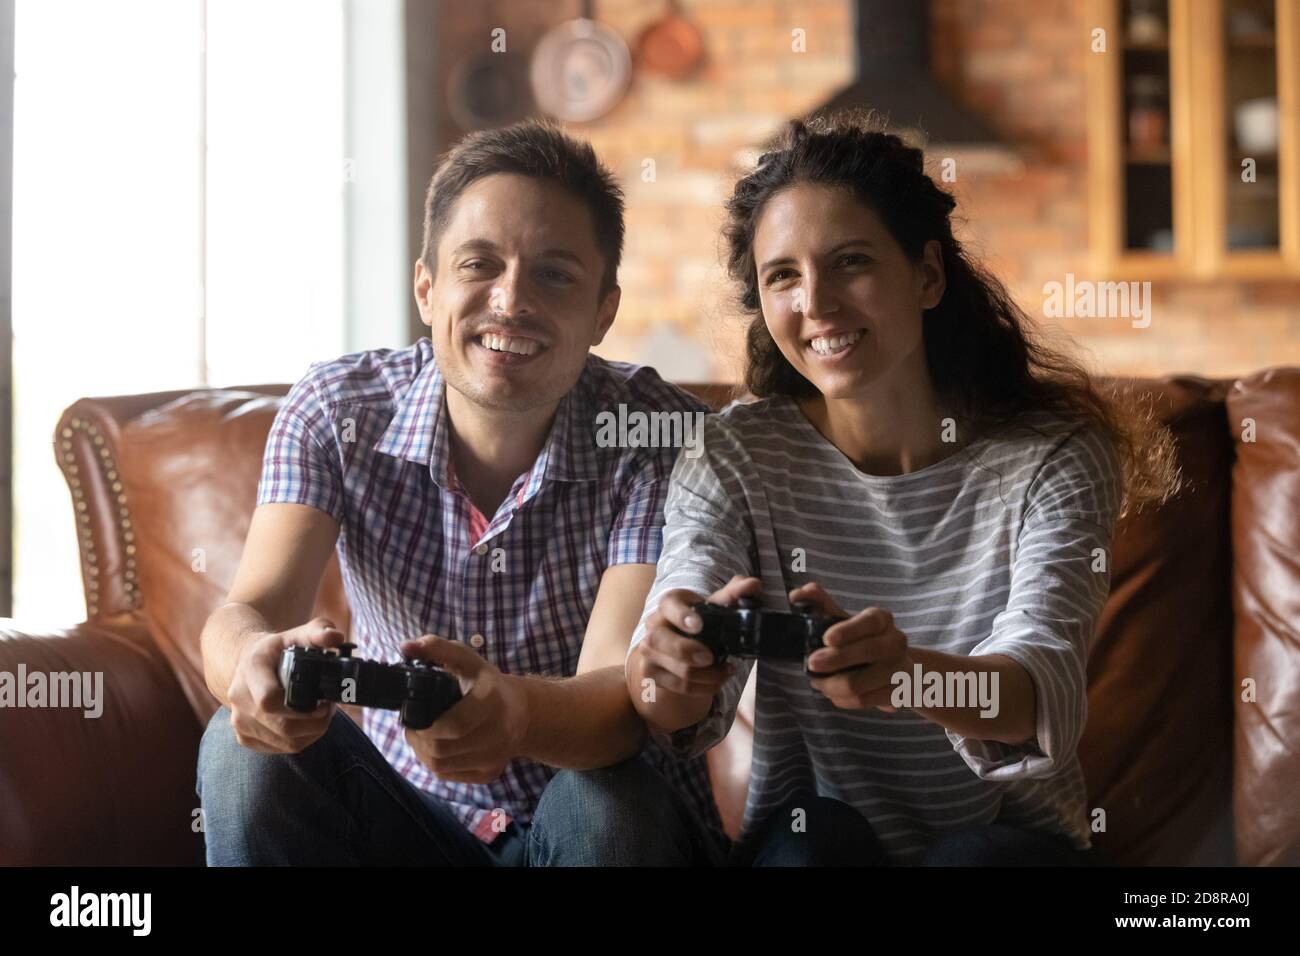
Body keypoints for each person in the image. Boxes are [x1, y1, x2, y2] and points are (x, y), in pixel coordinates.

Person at [627, 114, 1180, 866]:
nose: (815, 303)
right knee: (807, 846)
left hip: (1006, 845)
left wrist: (908, 675)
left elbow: (1038, 693)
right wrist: (669, 660)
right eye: (782, 275)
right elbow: (675, 691)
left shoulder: (1052, 452)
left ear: (926, 274)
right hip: (814, 839)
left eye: (849, 261)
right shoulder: (732, 453)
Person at [196, 120, 726, 866]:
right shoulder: (336, 411)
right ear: (427, 287)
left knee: (602, 800)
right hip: (409, 821)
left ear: (603, 310)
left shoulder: (653, 433)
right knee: (240, 747)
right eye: (479, 264)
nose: (510, 301)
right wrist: (250, 661)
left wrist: (513, 714)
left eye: (555, 275)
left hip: (592, 828)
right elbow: (247, 610)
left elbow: (620, 699)